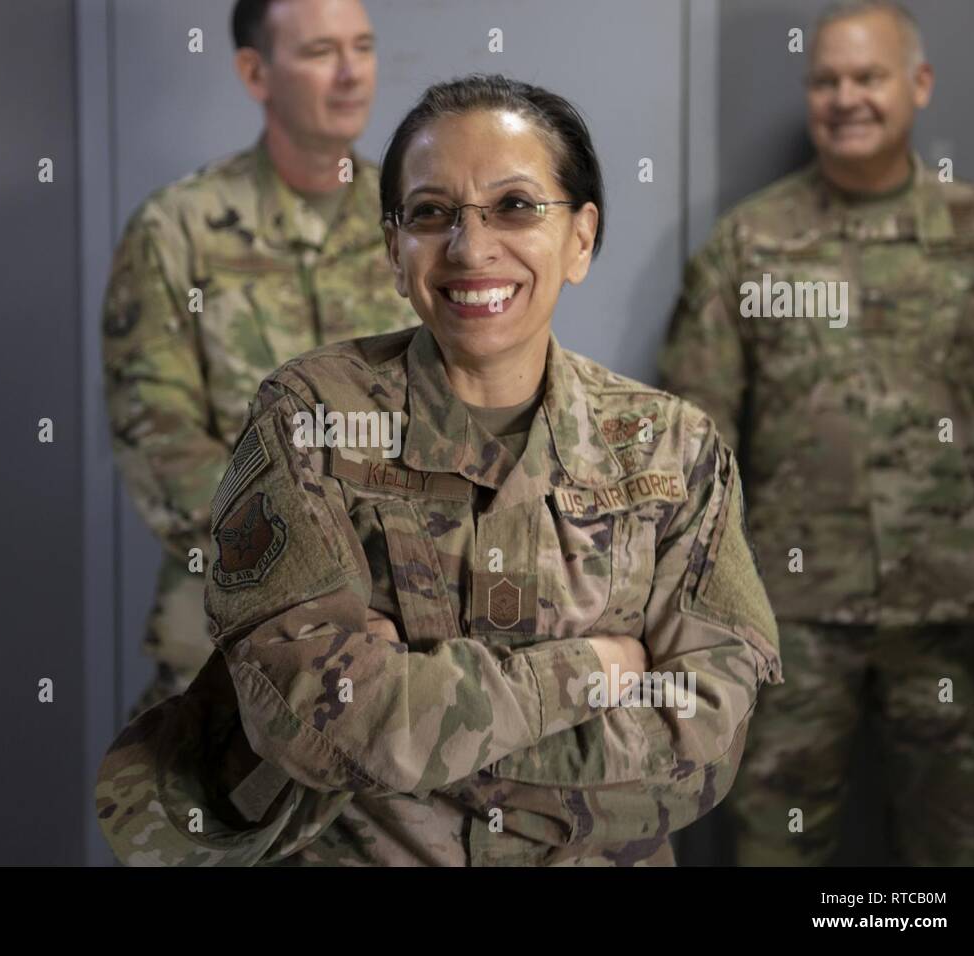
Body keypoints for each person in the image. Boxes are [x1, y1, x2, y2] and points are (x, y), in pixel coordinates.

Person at [95, 73, 782, 866]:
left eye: (515, 207)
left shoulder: (671, 448)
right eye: (431, 213)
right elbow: (319, 725)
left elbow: (704, 743)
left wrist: (413, 728)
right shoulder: (310, 418)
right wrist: (592, 669)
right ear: (394, 247)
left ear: (581, 239)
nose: (470, 246)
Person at [659, 0, 974, 866]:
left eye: (868, 77)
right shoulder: (748, 246)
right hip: (791, 618)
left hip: (954, 613)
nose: (845, 97)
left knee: (958, 845)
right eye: (826, 80)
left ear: (917, 85)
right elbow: (697, 444)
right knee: (776, 841)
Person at [102, 0, 416, 719]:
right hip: (231, 639)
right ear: (255, 71)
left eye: (361, 47)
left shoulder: (415, 219)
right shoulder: (178, 230)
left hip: (403, 635)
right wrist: (308, 583)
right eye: (318, 53)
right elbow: (159, 443)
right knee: (218, 824)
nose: (350, 75)